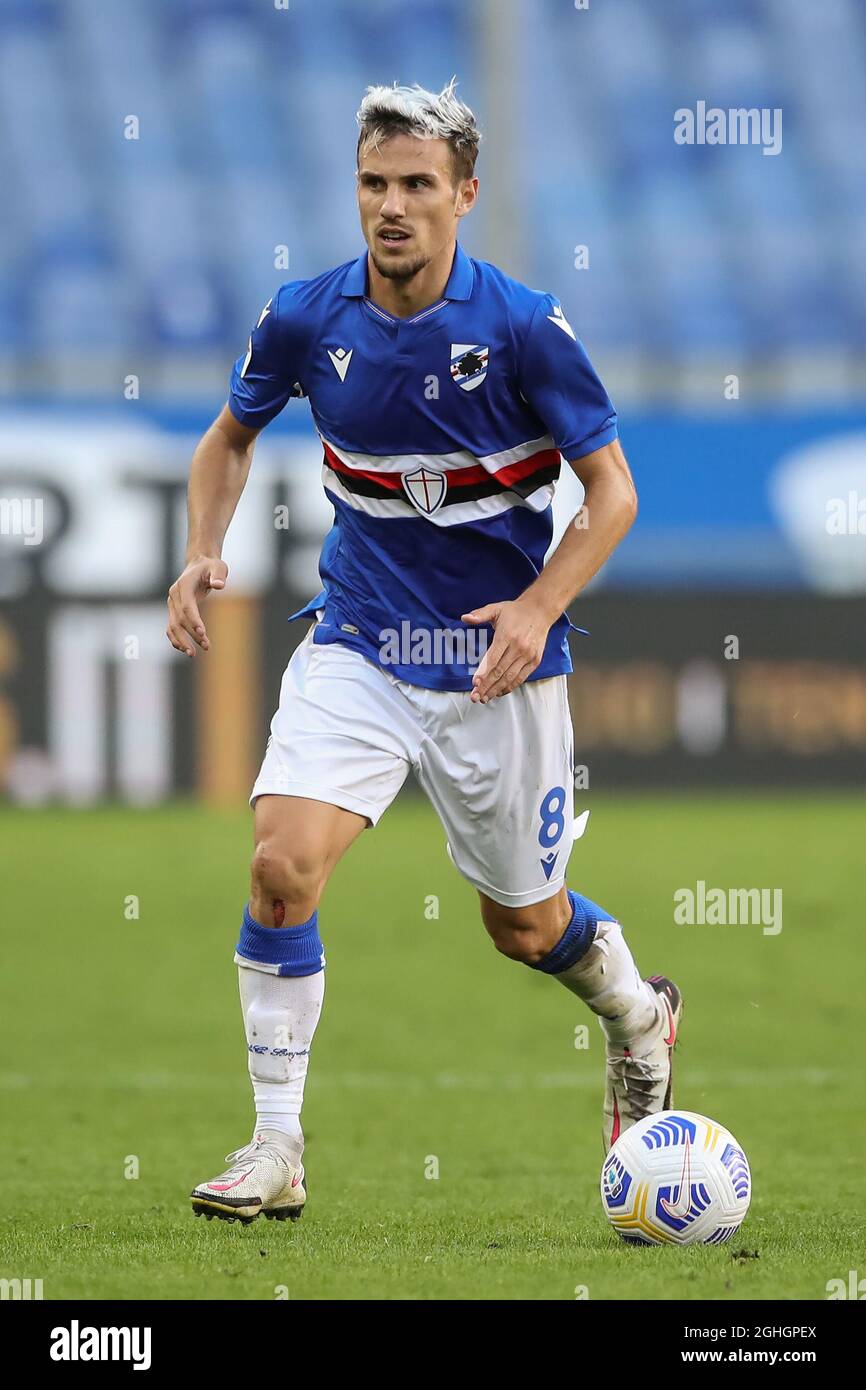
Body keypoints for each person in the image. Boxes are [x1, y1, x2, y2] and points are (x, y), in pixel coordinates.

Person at [166, 80, 682, 1225]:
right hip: (355, 639)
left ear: (463, 196)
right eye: (372, 185)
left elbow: (612, 495)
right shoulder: (306, 317)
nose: (390, 207)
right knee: (278, 866)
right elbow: (227, 438)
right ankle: (275, 1146)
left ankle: (639, 1015)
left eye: (415, 186)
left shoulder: (521, 329)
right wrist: (201, 548)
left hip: (495, 667)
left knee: (524, 926)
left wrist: (539, 607)